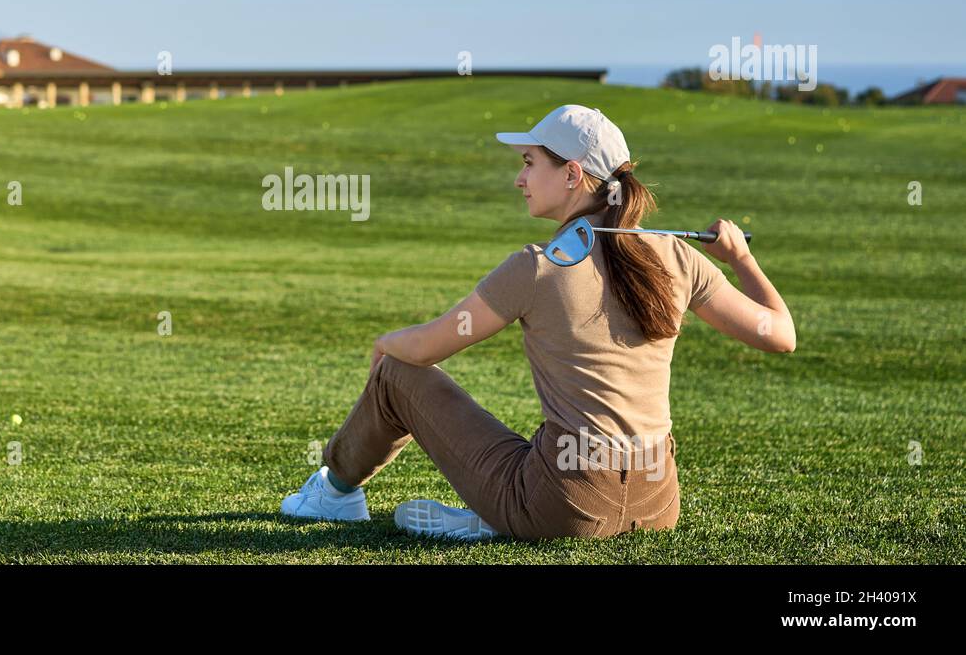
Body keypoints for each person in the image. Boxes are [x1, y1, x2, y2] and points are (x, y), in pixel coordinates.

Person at [280, 104, 796, 541]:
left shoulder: (538, 266)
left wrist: (385, 343)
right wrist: (742, 261)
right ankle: (495, 515)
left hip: (565, 507)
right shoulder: (678, 256)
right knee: (551, 440)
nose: (519, 177)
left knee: (397, 373)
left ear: (572, 175)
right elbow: (781, 336)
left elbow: (424, 349)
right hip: (658, 506)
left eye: (530, 163)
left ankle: (336, 494)